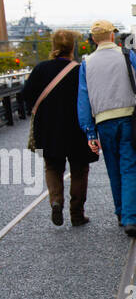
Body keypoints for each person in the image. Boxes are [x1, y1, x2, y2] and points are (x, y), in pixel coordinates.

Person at [77, 21, 136, 238]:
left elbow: (83, 100)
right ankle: (130, 218)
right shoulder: (126, 55)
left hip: (103, 122)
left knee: (113, 167)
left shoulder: (87, 63)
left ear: (93, 39)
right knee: (129, 167)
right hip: (129, 118)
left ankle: (121, 212)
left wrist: (90, 133)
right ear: (113, 36)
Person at [22, 28, 96, 227]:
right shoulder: (80, 70)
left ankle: (56, 201)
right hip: (76, 128)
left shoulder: (40, 69)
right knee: (80, 169)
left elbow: (26, 95)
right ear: (72, 47)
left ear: (54, 46)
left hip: (47, 127)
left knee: (53, 167)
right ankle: (77, 214)